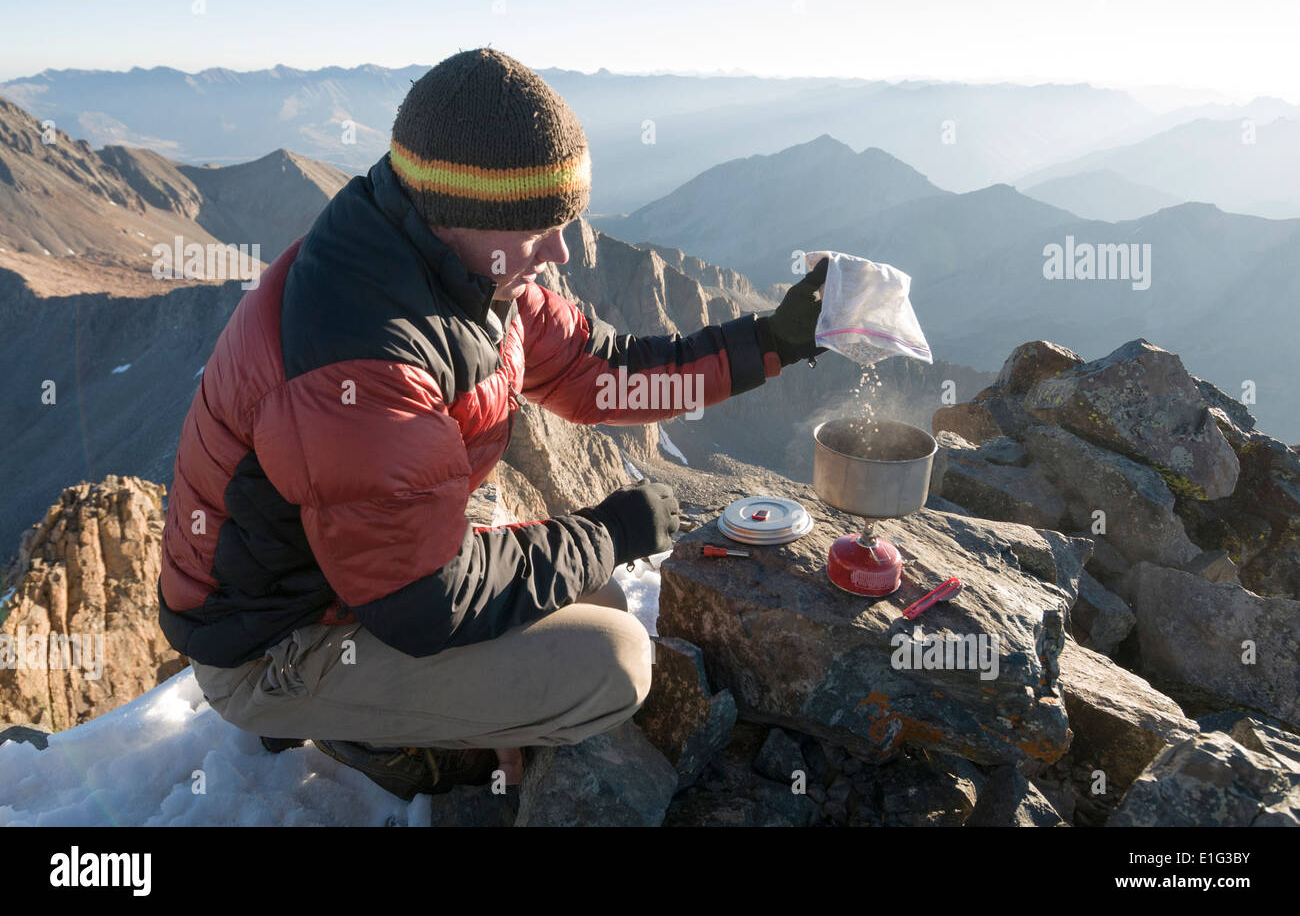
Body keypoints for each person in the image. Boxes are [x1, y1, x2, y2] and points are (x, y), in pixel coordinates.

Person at [158, 47, 827, 799]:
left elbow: (605, 373)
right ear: (461, 215)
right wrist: (612, 529)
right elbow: (428, 599)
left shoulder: (475, 273)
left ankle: (424, 712)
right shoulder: (361, 357)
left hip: (361, 577)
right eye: (541, 227)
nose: (561, 250)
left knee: (596, 598)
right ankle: (389, 742)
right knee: (613, 665)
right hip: (274, 645)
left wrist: (769, 343)